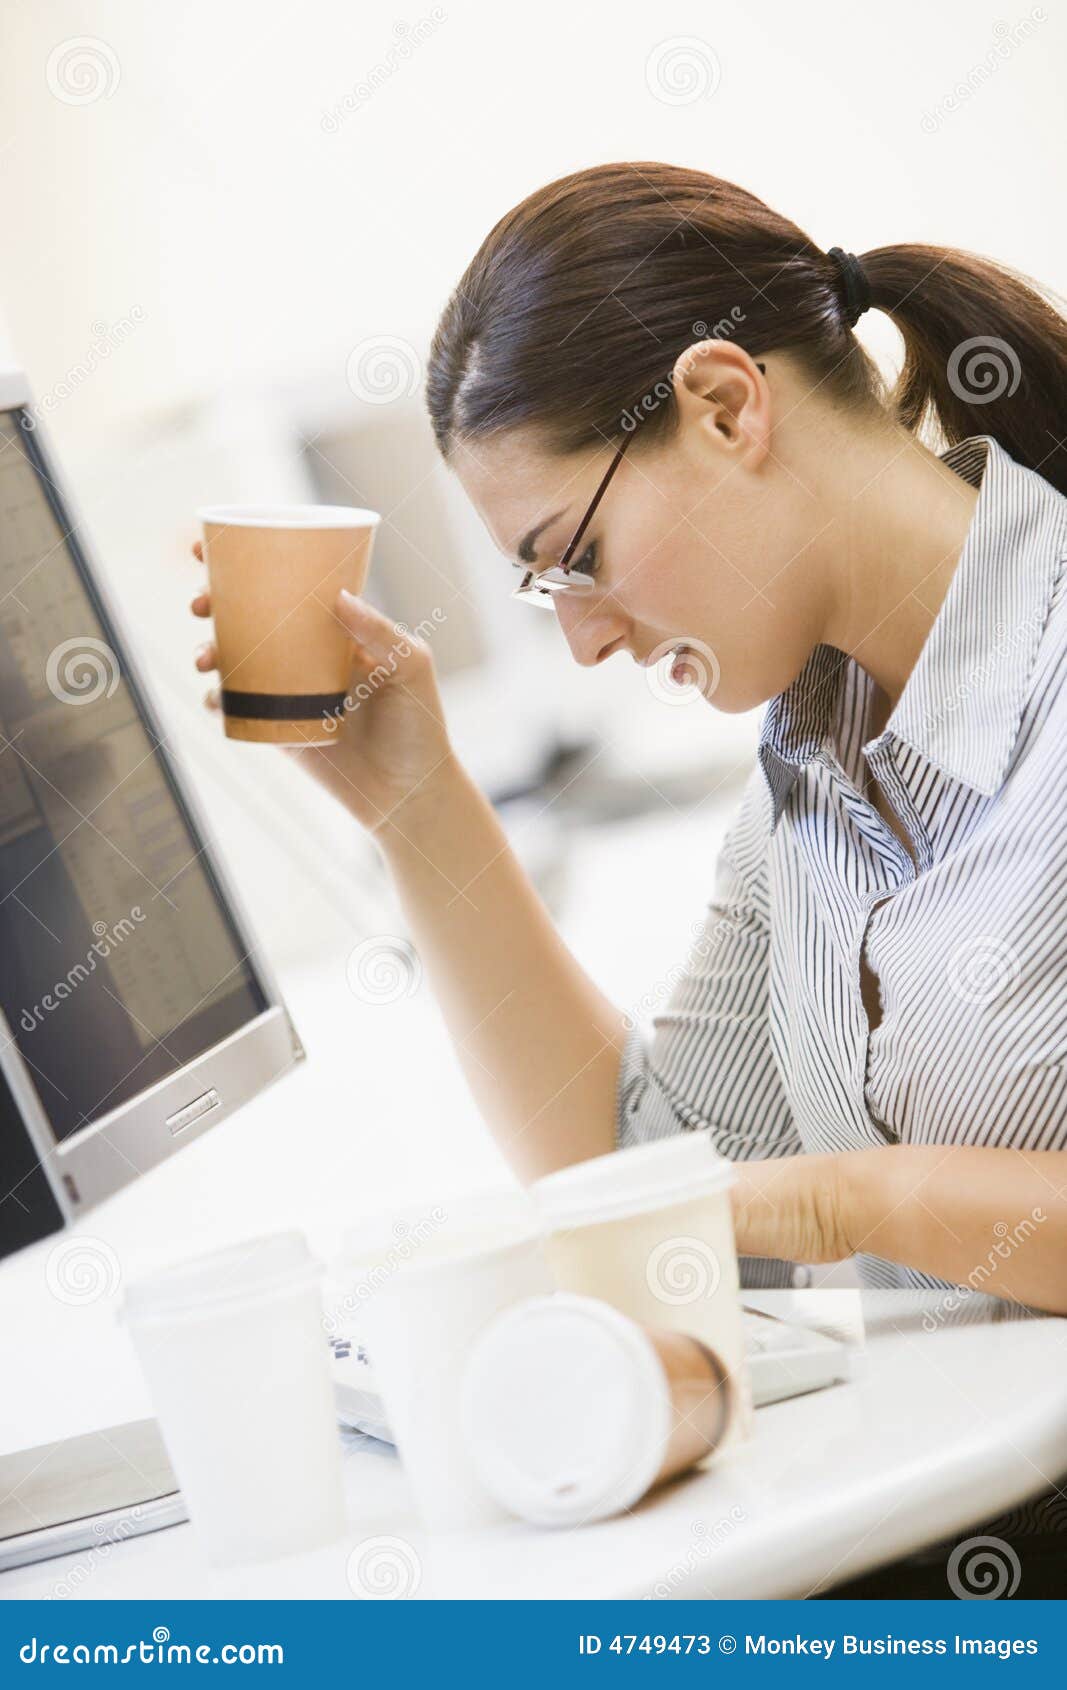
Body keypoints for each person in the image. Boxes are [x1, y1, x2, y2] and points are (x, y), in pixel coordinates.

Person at [192, 161, 1067, 1582]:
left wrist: (847, 1198)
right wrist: (422, 810)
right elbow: (655, 1181)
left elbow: (776, 1209)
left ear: (727, 405)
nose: (586, 639)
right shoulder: (809, 771)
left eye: (577, 555)